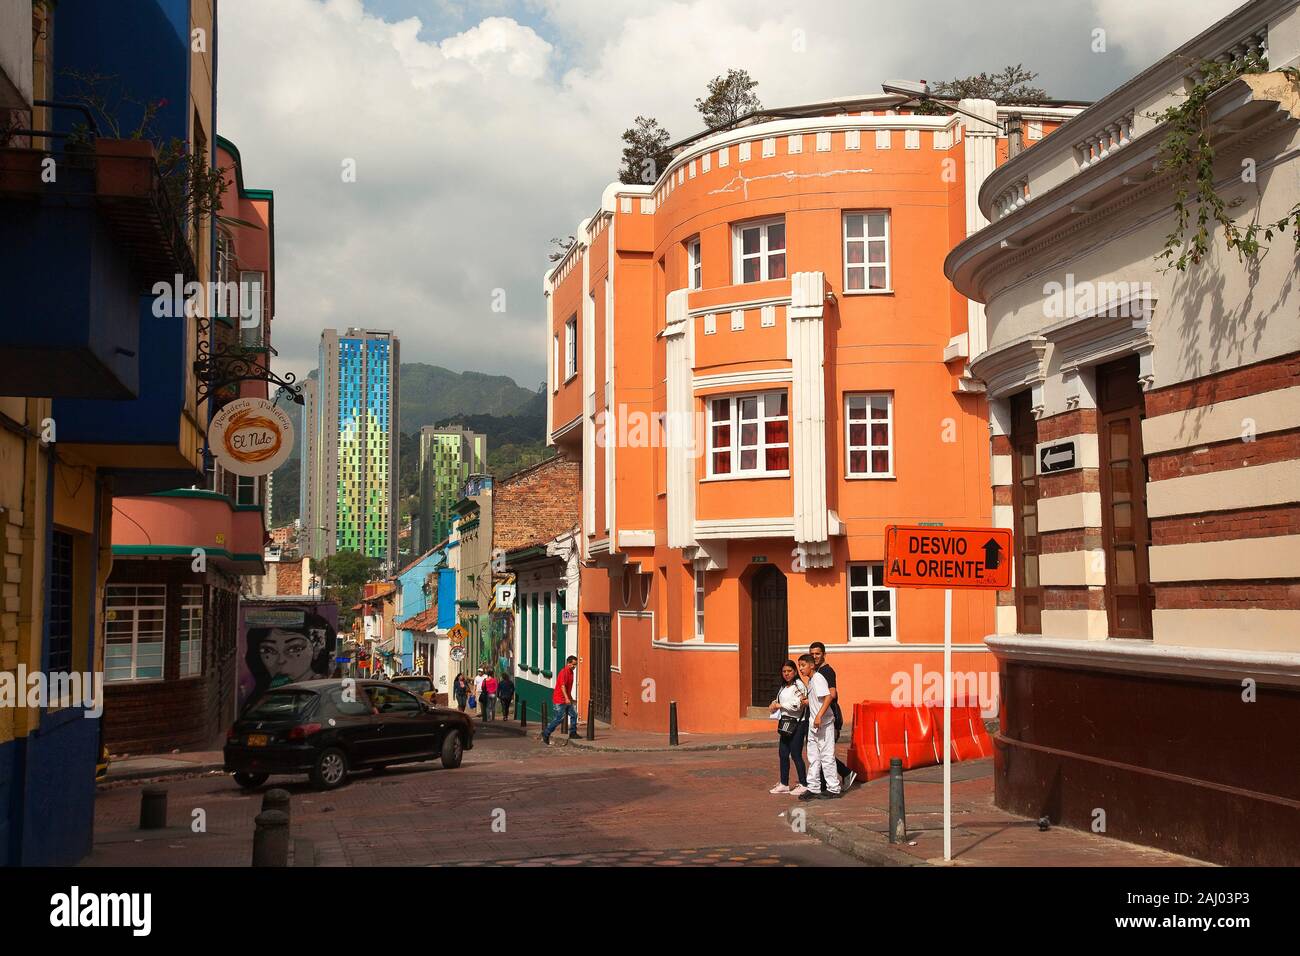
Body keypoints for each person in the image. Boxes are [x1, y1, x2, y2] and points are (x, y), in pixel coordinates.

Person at [809, 641, 857, 791]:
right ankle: (824, 784)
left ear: (824, 654)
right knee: (820, 752)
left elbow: (832, 694)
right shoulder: (814, 673)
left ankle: (845, 773)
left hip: (830, 715)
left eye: (817, 654)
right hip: (819, 715)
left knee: (826, 752)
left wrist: (820, 712)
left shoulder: (827, 672)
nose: (815, 657)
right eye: (812, 654)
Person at [796, 654, 841, 800]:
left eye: (803, 665)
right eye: (800, 666)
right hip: (813, 724)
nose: (801, 669)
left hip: (824, 723)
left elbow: (828, 697)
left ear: (811, 665)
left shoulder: (818, 678)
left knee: (827, 756)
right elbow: (818, 699)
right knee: (813, 756)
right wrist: (807, 702)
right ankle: (813, 787)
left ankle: (833, 788)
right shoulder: (811, 681)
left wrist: (819, 715)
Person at [768, 660, 809, 795]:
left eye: (789, 671)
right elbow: (778, 700)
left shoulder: (799, 686)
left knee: (796, 754)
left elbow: (798, 705)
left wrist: (781, 706)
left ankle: (803, 784)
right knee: (783, 753)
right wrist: (774, 704)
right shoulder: (783, 686)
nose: (786, 674)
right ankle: (784, 783)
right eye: (784, 671)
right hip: (785, 723)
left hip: (797, 723)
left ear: (795, 672)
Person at [541, 655, 579, 744]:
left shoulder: (571, 672)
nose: (574, 666)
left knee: (574, 715)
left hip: (566, 699)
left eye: (575, 665)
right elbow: (562, 686)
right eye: (573, 664)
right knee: (559, 718)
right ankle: (546, 733)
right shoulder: (564, 672)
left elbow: (568, 687)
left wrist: (571, 698)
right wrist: (566, 698)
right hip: (559, 699)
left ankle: (573, 732)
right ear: (568, 663)